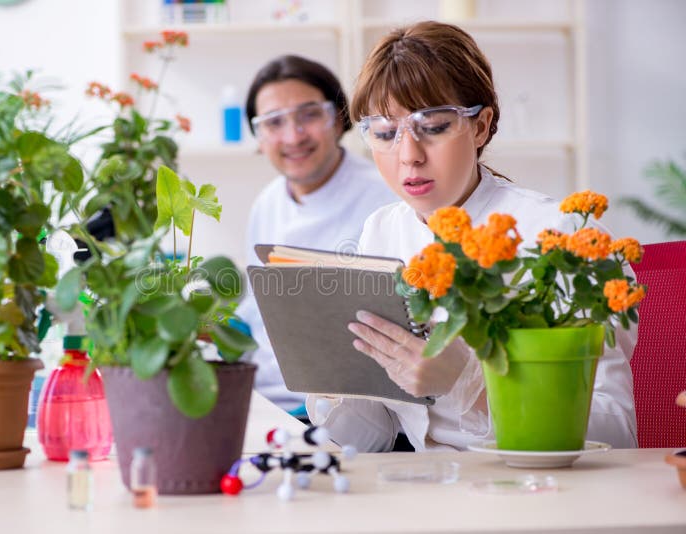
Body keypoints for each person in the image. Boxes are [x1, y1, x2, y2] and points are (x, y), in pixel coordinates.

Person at [306, 21, 638, 451]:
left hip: (532, 486)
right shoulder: (382, 230)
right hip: (424, 481)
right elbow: (375, 438)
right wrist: (333, 381)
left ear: (480, 126)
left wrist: (470, 385)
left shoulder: (563, 237)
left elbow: (616, 433)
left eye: (433, 127)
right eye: (385, 134)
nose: (408, 155)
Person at [235, 55, 397, 414]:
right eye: (274, 122)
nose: (293, 136)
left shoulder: (385, 201)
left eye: (309, 115)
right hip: (256, 397)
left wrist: (318, 413)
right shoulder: (267, 203)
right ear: (260, 137)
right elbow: (254, 311)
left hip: (341, 411)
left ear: (338, 119)